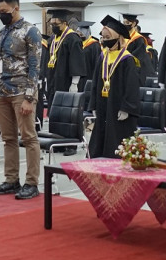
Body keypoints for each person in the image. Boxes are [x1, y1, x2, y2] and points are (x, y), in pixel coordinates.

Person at [0, 0, 42, 200]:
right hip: (2, 92)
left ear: (15, 8)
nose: (0, 14)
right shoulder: (2, 33)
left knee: (29, 138)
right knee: (8, 138)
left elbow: (35, 66)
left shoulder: (30, 31)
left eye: (3, 10)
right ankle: (11, 180)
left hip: (21, 92)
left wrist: (29, 97)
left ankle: (31, 183)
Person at [89, 15, 142, 159]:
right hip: (103, 104)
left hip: (119, 107)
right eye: (104, 37)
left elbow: (131, 86)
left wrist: (127, 108)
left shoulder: (127, 59)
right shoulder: (103, 56)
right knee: (100, 137)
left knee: (117, 140)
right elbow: (95, 82)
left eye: (109, 37)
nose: (106, 40)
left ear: (119, 38)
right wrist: (94, 104)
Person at [44, 9, 86, 113]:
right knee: (53, 110)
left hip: (66, 81)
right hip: (53, 80)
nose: (53, 27)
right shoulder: (52, 39)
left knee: (64, 110)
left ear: (64, 23)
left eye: (56, 24)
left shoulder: (73, 39)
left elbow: (77, 61)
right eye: (51, 24)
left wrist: (74, 83)